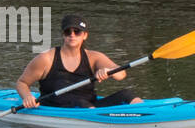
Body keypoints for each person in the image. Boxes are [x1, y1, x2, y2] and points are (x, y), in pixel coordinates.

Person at [15, 14, 143, 109]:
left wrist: (108, 71)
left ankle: (143, 115)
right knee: (79, 102)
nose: (72, 35)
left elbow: (121, 74)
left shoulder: (94, 57)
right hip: (58, 107)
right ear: (63, 35)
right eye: (68, 31)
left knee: (126, 94)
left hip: (89, 106)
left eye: (77, 32)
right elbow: (22, 82)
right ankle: (104, 123)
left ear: (85, 35)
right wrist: (27, 97)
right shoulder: (45, 59)